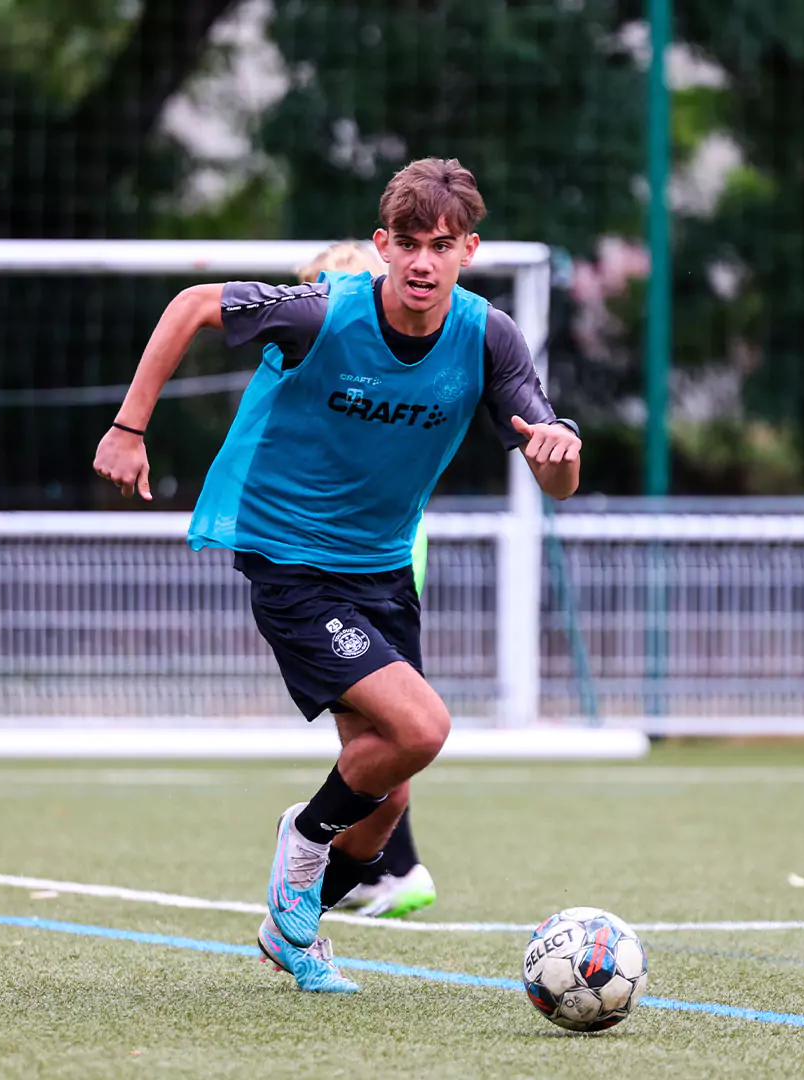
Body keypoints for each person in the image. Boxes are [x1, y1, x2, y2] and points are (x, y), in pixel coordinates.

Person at [94, 159, 581, 992]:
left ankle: (296, 932)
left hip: (384, 573)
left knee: (388, 796)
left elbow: (554, 471)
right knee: (422, 729)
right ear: (382, 245)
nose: (425, 263)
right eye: (410, 245)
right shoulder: (324, 312)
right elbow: (192, 305)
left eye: (444, 246)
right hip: (292, 563)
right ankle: (303, 836)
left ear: (470, 248)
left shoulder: (488, 334)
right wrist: (128, 426)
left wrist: (558, 448)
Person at [292, 241, 438, 921]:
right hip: (327, 572)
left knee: (396, 751)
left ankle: (370, 872)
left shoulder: (397, 369)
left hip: (378, 574)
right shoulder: (316, 371)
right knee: (387, 758)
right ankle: (327, 895)